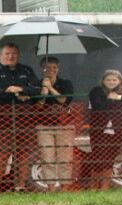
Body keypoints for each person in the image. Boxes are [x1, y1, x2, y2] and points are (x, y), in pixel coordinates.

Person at [0, 42, 41, 192]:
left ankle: (20, 186)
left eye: (14, 53)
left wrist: (21, 89)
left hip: (25, 120)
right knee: (3, 153)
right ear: (0, 55)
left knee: (24, 153)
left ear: (18, 55)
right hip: (1, 121)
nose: (10, 56)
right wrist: (7, 90)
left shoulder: (27, 70)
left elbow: (37, 89)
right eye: (7, 54)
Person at [87, 69, 122, 190]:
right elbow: (98, 105)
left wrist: (119, 96)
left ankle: (105, 186)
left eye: (114, 79)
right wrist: (109, 98)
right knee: (97, 157)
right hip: (98, 129)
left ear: (119, 81)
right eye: (108, 79)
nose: (111, 82)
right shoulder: (96, 91)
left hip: (117, 129)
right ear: (103, 81)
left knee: (110, 157)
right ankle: (93, 185)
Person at [33, 56, 75, 190]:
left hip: (64, 125)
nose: (51, 70)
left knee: (65, 158)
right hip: (44, 126)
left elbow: (64, 101)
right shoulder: (36, 84)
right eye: (48, 67)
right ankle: (50, 187)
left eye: (54, 67)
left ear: (58, 69)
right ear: (42, 69)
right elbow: (38, 106)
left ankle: (65, 187)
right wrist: (43, 92)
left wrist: (51, 88)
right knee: (47, 158)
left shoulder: (66, 83)